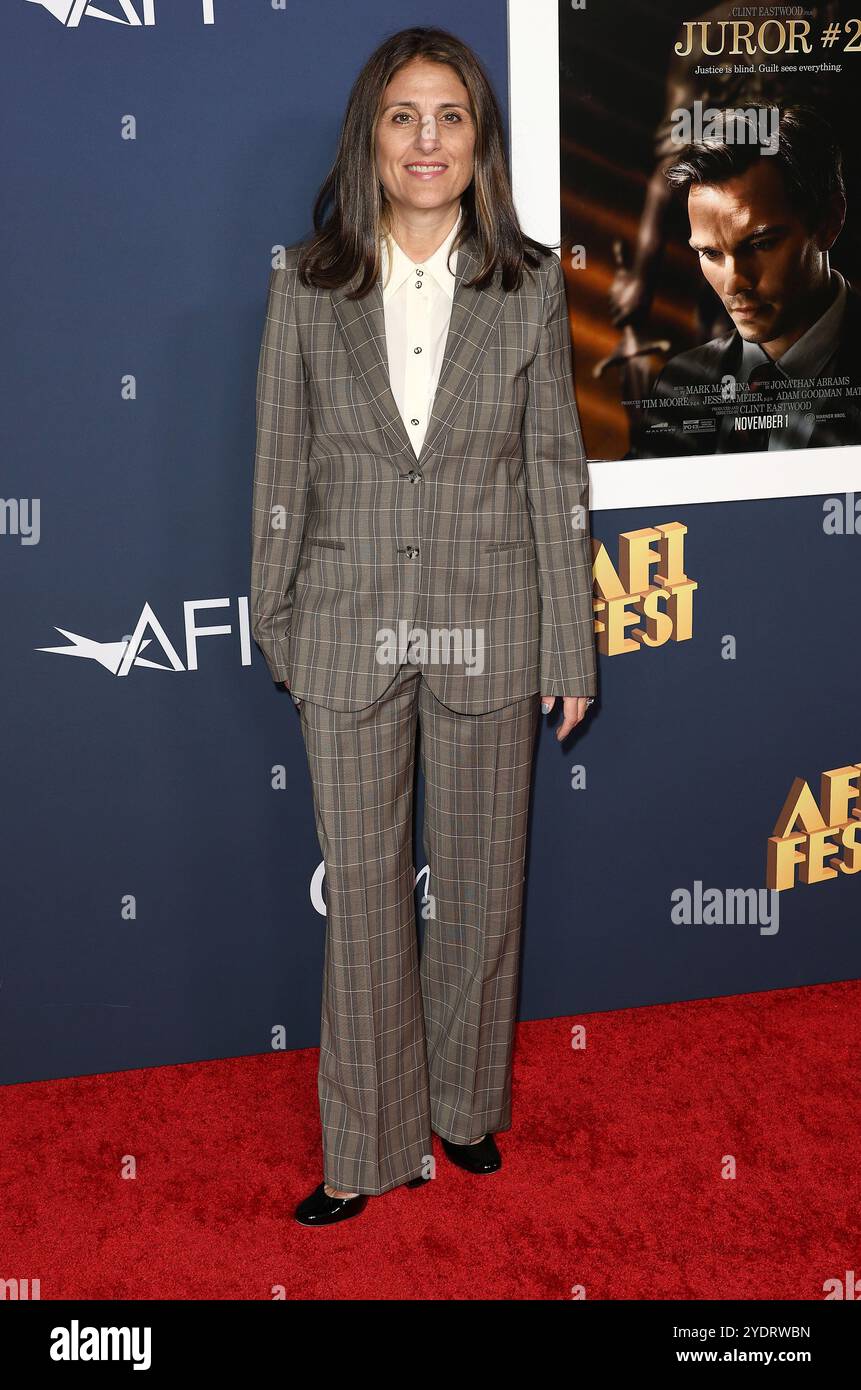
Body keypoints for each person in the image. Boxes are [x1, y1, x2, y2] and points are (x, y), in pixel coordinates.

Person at [250, 26, 597, 1227]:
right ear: (371, 136)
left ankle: (460, 1108)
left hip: (493, 621)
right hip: (346, 629)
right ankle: (364, 1141)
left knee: (485, 892)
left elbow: (555, 466)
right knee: (363, 902)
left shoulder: (531, 282)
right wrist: (278, 622)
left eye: (450, 115)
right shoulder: (307, 280)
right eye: (404, 115)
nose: (427, 139)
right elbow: (279, 463)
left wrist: (570, 646)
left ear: (479, 139)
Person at [634, 106, 861, 456]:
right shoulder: (680, 381)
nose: (733, 284)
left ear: (829, 222)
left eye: (760, 244)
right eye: (711, 254)